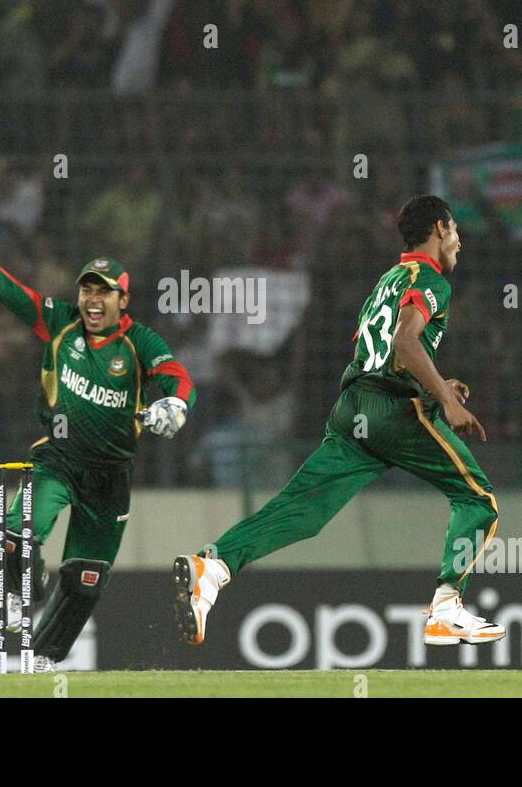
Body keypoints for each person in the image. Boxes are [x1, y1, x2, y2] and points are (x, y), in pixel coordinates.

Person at [174, 196, 505, 648]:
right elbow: (405, 344)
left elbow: (386, 349)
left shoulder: (388, 279)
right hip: (392, 411)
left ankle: (212, 567)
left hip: (353, 409)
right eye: (457, 232)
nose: (460, 243)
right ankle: (447, 609)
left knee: (302, 511)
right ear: (442, 229)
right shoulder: (431, 280)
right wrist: (445, 400)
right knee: (478, 500)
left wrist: (437, 384)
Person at [0, 195, 195, 671]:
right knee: (16, 536)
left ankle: (42, 660)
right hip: (58, 461)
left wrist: (175, 404)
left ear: (123, 300)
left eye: (103, 292)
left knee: (86, 581)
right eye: (87, 290)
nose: (92, 300)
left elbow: (176, 376)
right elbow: (8, 291)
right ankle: (29, 585)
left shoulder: (141, 342)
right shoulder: (61, 322)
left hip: (110, 478)